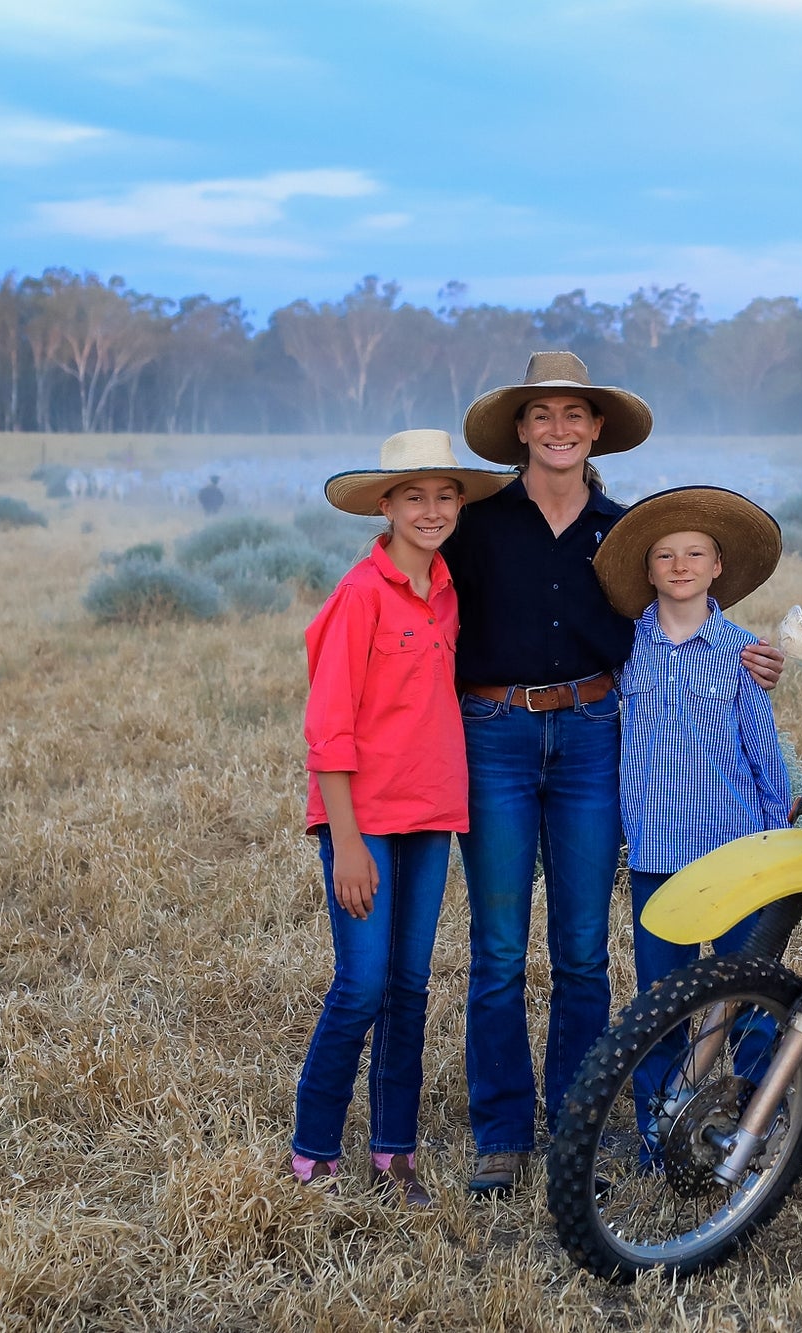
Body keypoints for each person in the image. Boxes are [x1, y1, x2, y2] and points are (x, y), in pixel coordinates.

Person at [444, 353, 785, 1194]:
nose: (559, 428)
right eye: (542, 414)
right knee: (496, 950)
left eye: (575, 414)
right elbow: (426, 610)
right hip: (494, 730)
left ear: (597, 429)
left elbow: (683, 613)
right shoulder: (480, 525)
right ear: (520, 429)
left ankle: (575, 1119)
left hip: (594, 731)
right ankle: (499, 1131)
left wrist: (749, 656)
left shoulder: (623, 534)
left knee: (584, 951)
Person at [292, 429, 509, 1207]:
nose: (431, 508)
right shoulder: (360, 595)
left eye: (444, 494)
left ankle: (395, 1153)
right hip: (365, 824)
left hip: (430, 815)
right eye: (413, 495)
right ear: (383, 506)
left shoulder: (449, 591)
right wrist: (346, 840)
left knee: (410, 987)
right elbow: (330, 727)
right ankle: (312, 1152)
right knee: (360, 984)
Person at [591, 485, 793, 1146]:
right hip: (656, 853)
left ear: (717, 568)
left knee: (751, 998)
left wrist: (777, 844)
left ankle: (762, 1124)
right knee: (661, 1003)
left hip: (733, 855)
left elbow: (765, 760)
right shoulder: (624, 653)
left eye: (695, 553)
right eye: (665, 555)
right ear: (647, 571)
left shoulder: (741, 655)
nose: (680, 565)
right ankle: (660, 1131)